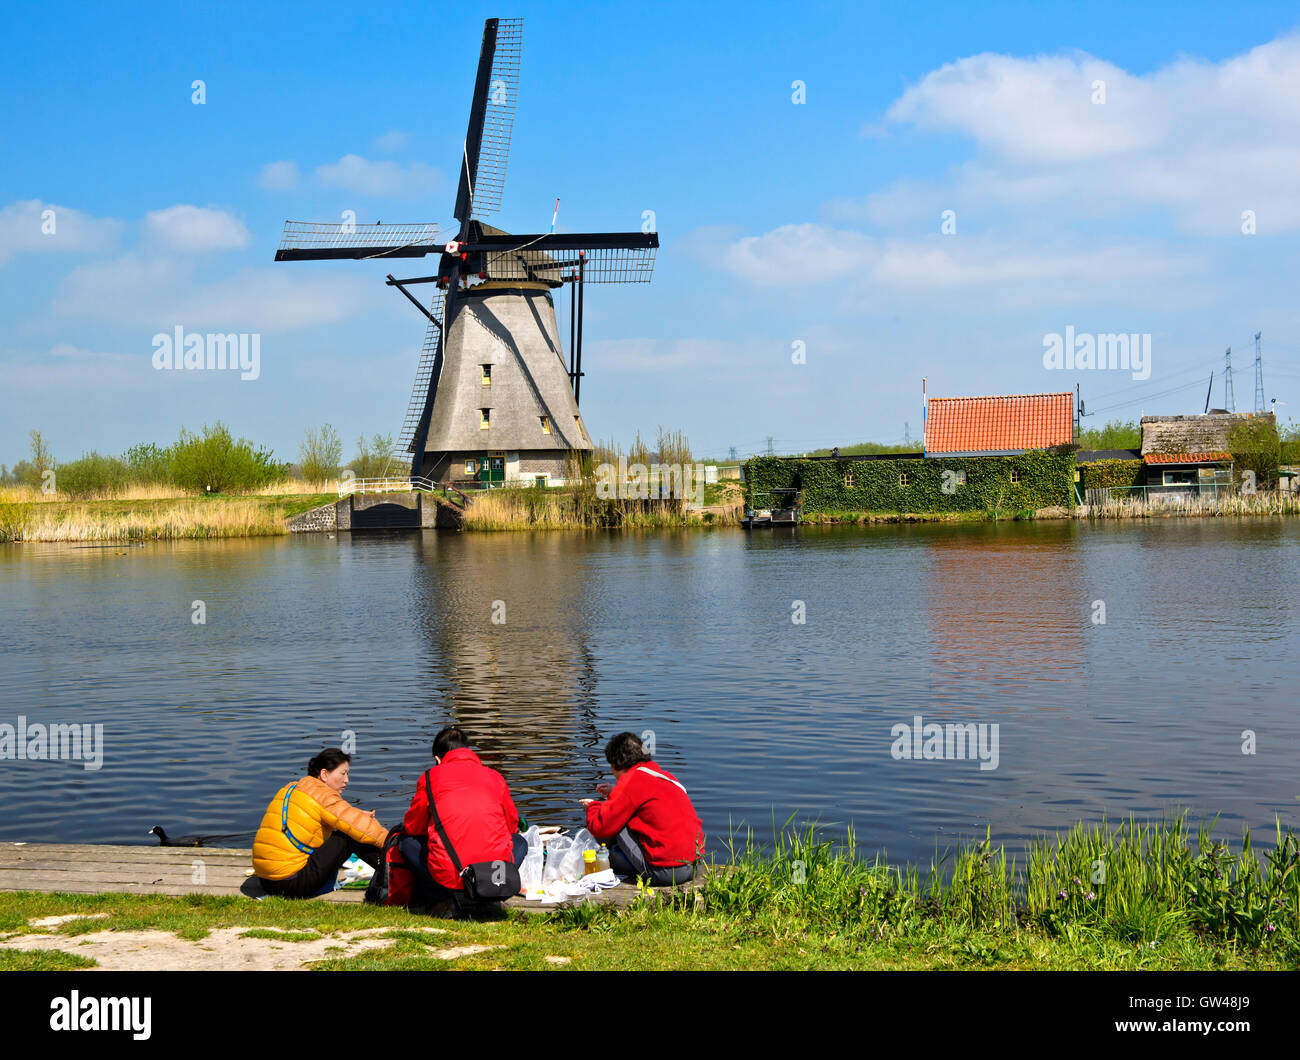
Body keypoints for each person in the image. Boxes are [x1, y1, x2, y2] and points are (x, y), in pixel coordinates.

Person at [399, 726, 527, 907]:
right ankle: (489, 891)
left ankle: (446, 894)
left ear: (437, 759)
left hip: (451, 877)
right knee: (520, 842)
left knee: (405, 842)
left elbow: (414, 827)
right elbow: (512, 826)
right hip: (495, 875)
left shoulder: (429, 777)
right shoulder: (495, 776)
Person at [252, 748, 387, 898]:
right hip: (290, 885)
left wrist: (356, 814)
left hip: (266, 882)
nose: (347, 780)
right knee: (350, 837)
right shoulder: (323, 795)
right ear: (324, 774)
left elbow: (318, 819)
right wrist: (393, 843)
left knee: (349, 829)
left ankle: (390, 870)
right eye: (343, 773)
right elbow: (363, 829)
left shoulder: (291, 788)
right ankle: (393, 873)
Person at [580, 732, 705, 886]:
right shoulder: (665, 776)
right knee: (624, 815)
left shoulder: (631, 780)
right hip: (694, 865)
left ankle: (610, 858)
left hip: (665, 872)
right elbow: (647, 799)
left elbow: (600, 826)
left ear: (617, 762)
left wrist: (593, 807)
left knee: (610, 825)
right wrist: (615, 792)